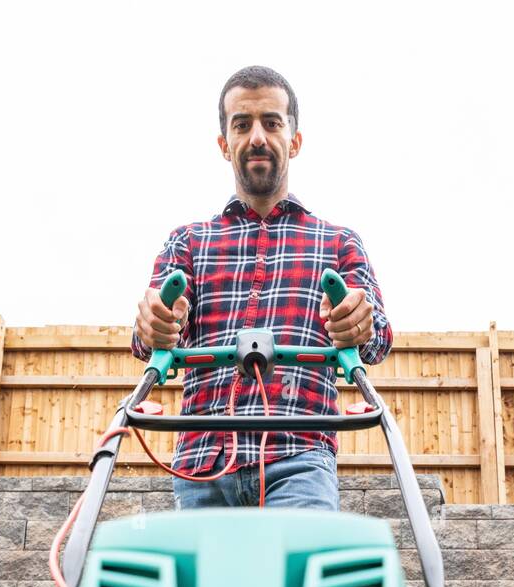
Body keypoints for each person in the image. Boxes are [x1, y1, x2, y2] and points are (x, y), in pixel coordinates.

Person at [132, 64, 393, 510]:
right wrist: (155, 323)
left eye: (272, 123)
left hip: (298, 460)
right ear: (223, 144)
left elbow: (377, 341)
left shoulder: (338, 243)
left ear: (294, 140)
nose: (257, 136)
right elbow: (147, 338)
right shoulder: (188, 242)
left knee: (300, 580)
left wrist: (359, 323)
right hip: (202, 464)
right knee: (200, 583)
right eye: (242, 124)